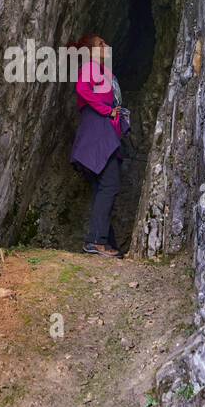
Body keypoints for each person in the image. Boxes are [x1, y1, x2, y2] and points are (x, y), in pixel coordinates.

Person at [70, 33, 126, 257]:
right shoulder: (91, 67)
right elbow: (82, 90)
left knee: (103, 188)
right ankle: (95, 241)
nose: (107, 45)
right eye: (101, 44)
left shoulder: (102, 71)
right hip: (98, 135)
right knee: (110, 185)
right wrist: (107, 111)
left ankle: (106, 242)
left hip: (101, 136)